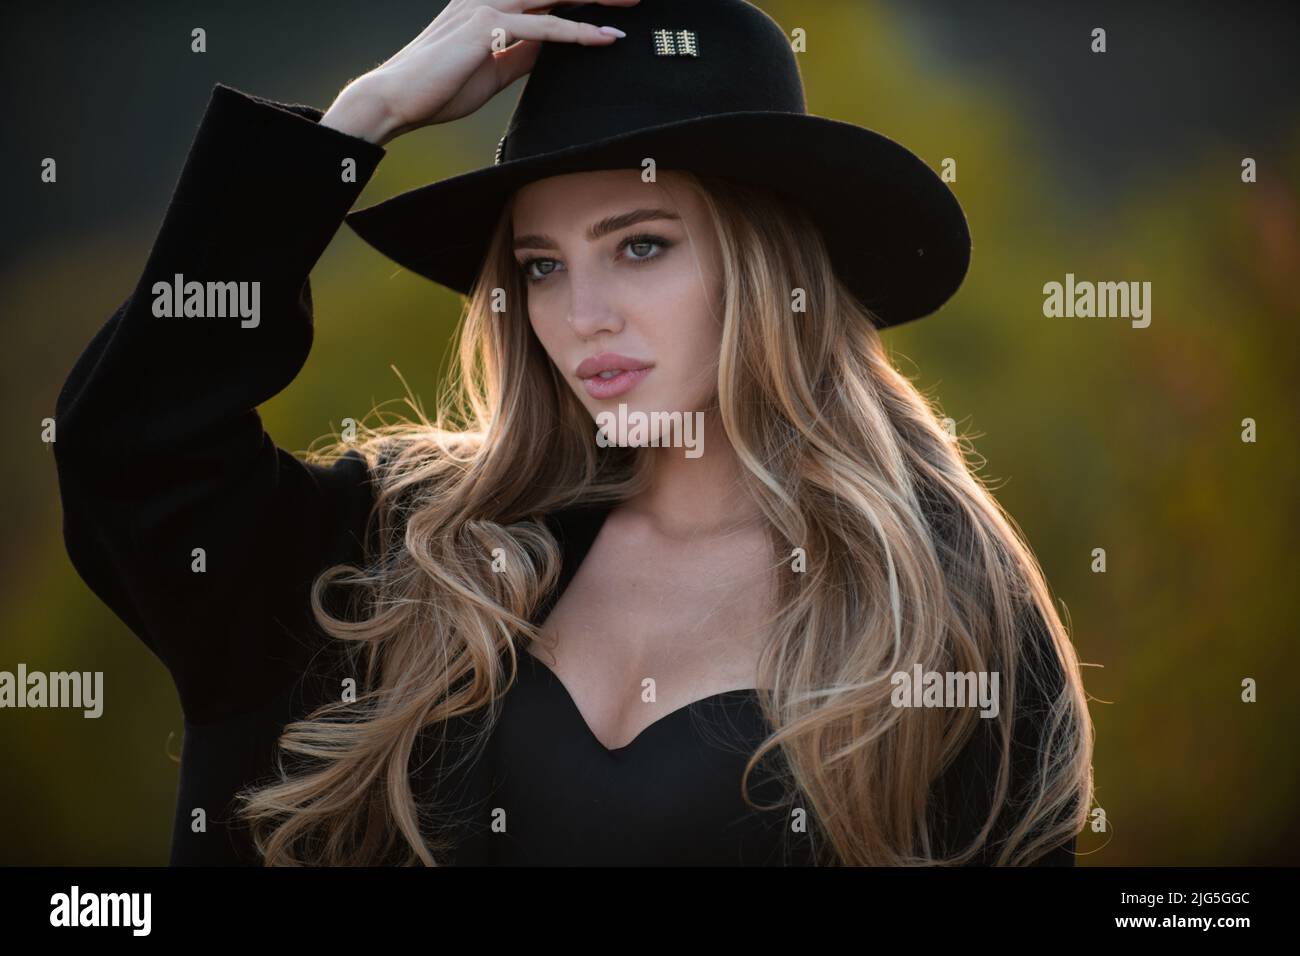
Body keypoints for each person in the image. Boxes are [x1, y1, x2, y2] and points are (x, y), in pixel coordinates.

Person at [52, 0, 1093, 866]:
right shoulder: (404, 558)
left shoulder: (940, 607)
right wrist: (358, 121)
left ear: (774, 269)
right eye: (541, 264)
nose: (581, 311)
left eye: (639, 245)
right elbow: (130, 447)